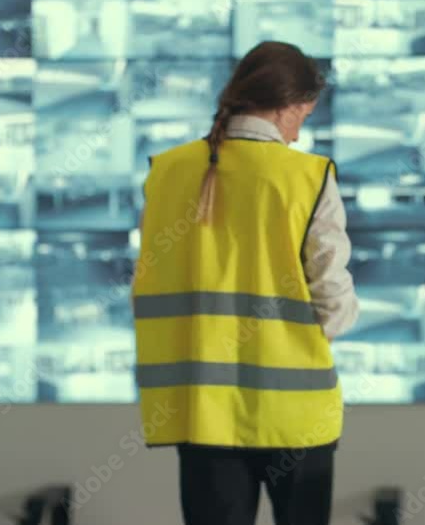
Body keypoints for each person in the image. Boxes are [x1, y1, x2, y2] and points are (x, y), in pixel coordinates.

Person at [131, 41, 359, 525]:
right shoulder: (308, 176)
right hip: (296, 420)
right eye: (303, 115)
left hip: (203, 415)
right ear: (288, 104)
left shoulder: (168, 172)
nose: (298, 135)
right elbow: (333, 304)